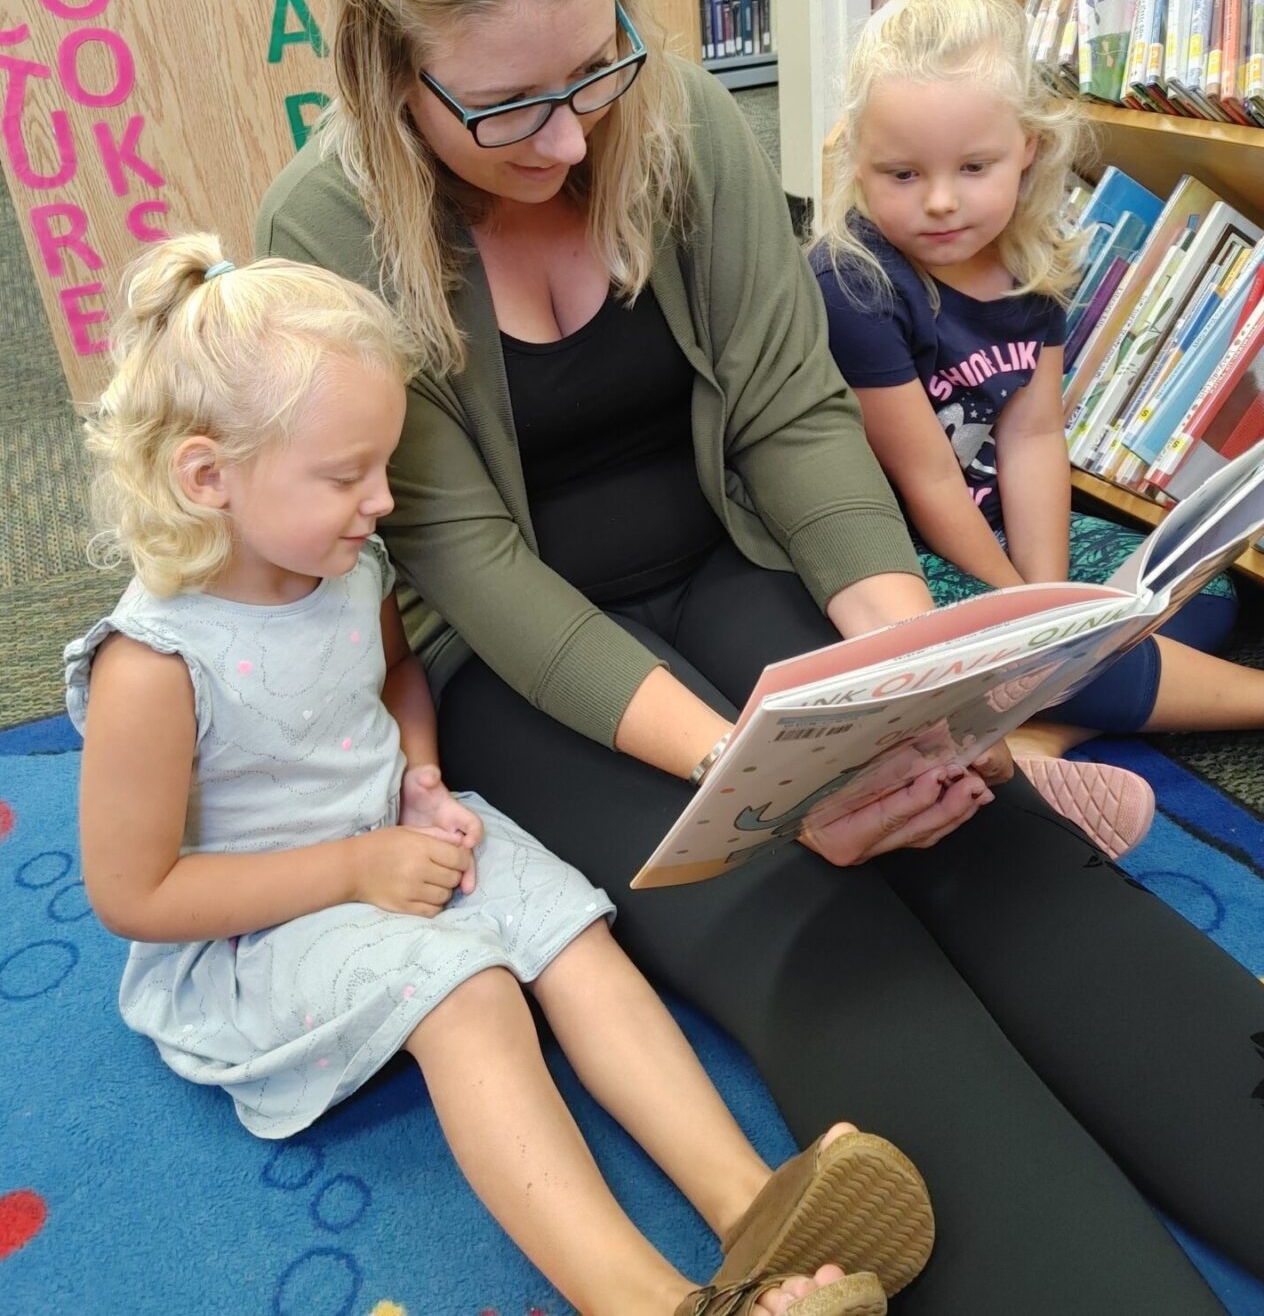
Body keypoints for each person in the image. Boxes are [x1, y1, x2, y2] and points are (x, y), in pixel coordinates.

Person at [256, 0, 1264, 1314]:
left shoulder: (684, 129)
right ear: (394, 72)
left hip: (723, 550)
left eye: (597, 64)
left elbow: (796, 419)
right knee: (795, 917)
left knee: (975, 825)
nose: (573, 131)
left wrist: (904, 669)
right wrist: (768, 778)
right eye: (510, 103)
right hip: (521, 662)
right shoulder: (322, 226)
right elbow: (468, 561)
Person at [66, 234, 939, 1316]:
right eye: (346, 475)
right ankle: (653, 1302)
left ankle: (751, 1206)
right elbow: (134, 897)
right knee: (470, 994)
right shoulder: (152, 666)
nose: (382, 500)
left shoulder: (341, 562)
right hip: (255, 922)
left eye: (382, 465)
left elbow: (392, 680)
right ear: (207, 479)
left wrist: (421, 778)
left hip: (394, 837)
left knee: (574, 931)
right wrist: (354, 868)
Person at [810, 0, 1264, 850]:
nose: (940, 202)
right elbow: (928, 475)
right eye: (902, 174)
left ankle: (1030, 742)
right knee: (1013, 657)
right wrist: (1031, 611)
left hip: (987, 531)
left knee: (1199, 599)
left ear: (1027, 150)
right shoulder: (854, 283)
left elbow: (1034, 433)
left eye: (972, 168)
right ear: (857, 163)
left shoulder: (1026, 265)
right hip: (897, 557)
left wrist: (1056, 601)